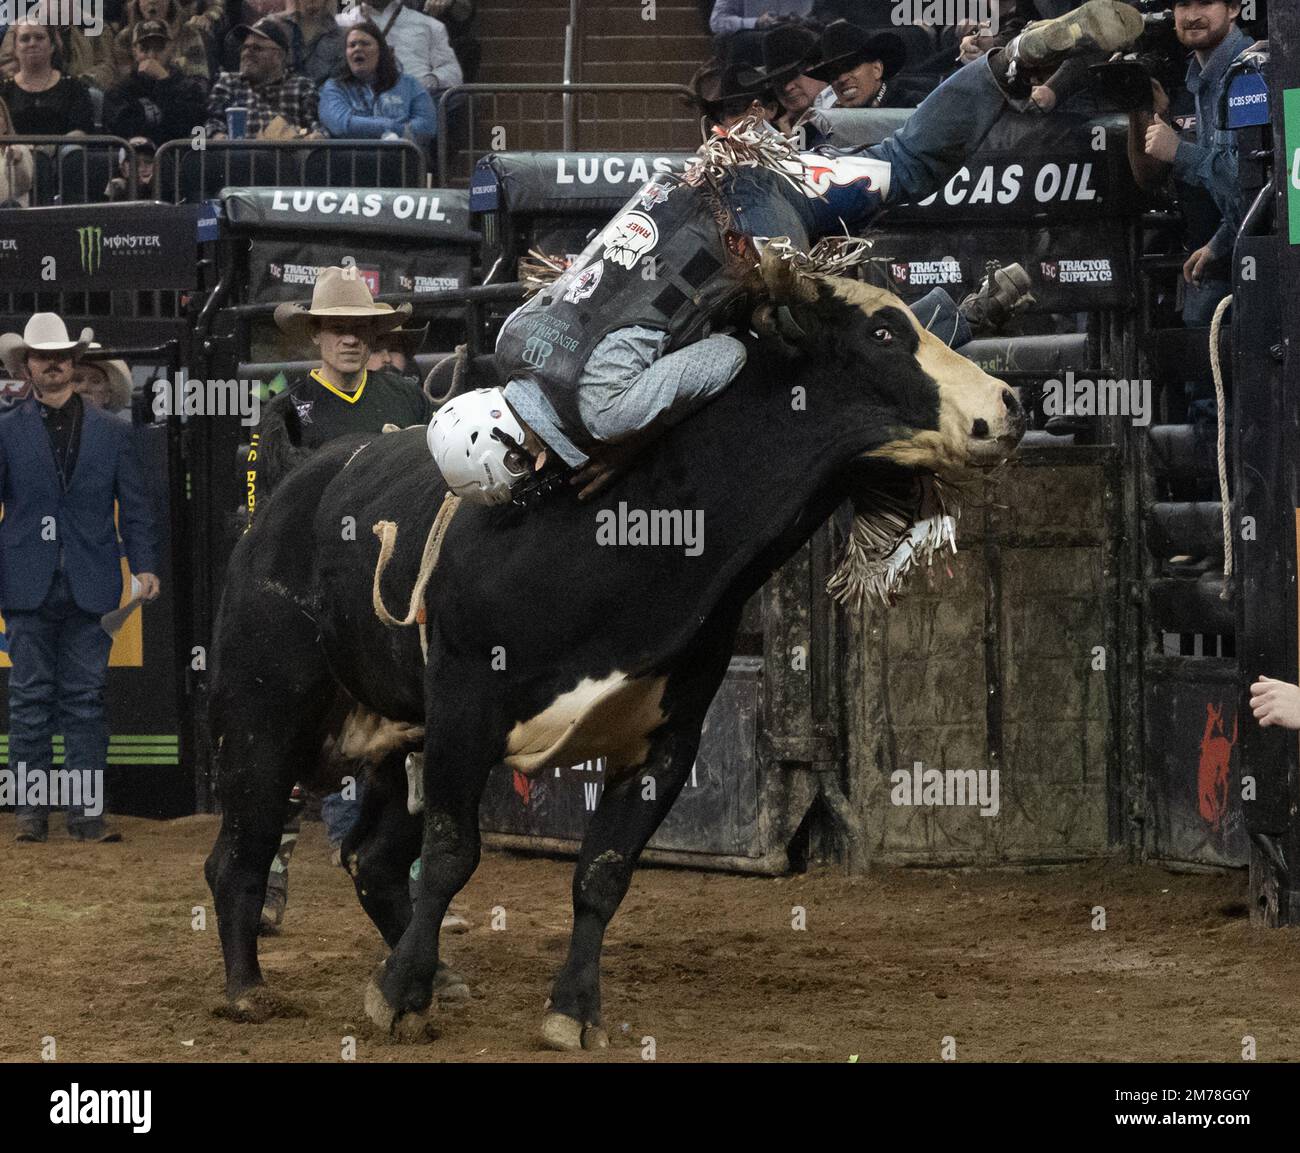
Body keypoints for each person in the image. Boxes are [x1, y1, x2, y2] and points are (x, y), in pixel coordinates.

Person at [429, 0, 1143, 506]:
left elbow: (723, 360)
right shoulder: (517, 335)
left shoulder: (599, 413)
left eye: (527, 473)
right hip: (720, 176)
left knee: (803, 353)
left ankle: (958, 317)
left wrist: (634, 431)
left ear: (517, 452)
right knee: (903, 160)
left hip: (751, 242)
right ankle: (1011, 61)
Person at [248, 266, 431, 930]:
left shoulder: (406, 400)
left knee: (414, 735)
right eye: (337, 328)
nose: (349, 339)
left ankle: (411, 872)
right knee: (299, 733)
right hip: (321, 600)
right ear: (318, 334)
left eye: (360, 329)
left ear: (373, 334)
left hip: (391, 603)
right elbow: (268, 518)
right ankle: (271, 871)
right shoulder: (290, 410)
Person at [0, 314, 160, 844]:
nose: (53, 364)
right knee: (29, 698)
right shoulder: (4, 429)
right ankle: (30, 812)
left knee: (85, 698)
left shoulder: (113, 432)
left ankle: (86, 814)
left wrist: (145, 565)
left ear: (73, 361)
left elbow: (134, 507)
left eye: (61, 355)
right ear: (27, 364)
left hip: (89, 583)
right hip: (27, 581)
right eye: (43, 356)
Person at [320, 20, 437, 145]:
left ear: (381, 51)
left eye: (365, 43)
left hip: (402, 159)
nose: (357, 48)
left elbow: (427, 126)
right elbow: (340, 124)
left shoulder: (410, 84)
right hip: (353, 159)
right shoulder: (334, 87)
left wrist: (367, 127)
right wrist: (392, 127)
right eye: (352, 45)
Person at [205, 16, 320, 139]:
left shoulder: (302, 86)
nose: (246, 53)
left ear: (279, 56)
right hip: (239, 156)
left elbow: (314, 126)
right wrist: (219, 137)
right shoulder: (228, 82)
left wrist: (312, 136)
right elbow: (212, 122)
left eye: (256, 48)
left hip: (287, 156)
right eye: (244, 47)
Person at [104, 21, 209, 147]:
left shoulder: (189, 87)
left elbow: (188, 127)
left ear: (170, 48)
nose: (152, 55)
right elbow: (122, 129)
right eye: (145, 49)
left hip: (177, 160)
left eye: (159, 48)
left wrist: (164, 81)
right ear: (134, 51)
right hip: (136, 161)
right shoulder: (120, 89)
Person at [336, 0, 462, 100]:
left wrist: (428, 82)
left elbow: (452, 72)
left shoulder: (430, 25)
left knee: (456, 99)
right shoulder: (340, 25)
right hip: (359, 100)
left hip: (415, 99)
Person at [805, 20, 930, 109]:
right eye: (834, 73)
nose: (842, 79)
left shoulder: (915, 107)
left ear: (877, 69)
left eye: (850, 66)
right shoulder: (828, 123)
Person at [0, 21, 94, 136]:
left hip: (62, 152)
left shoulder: (74, 87)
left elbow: (80, 131)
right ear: (15, 49)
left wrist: (50, 151)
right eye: (25, 39)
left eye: (39, 38)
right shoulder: (4, 90)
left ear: (52, 46)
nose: (32, 43)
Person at [111, 0, 213, 84]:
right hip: (139, 102)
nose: (152, 1)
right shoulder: (123, 39)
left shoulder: (188, 33)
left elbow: (200, 84)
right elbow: (123, 84)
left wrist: (164, 78)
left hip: (179, 99)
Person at [283, 0, 345, 84]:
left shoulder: (339, 36)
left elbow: (339, 78)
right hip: (284, 93)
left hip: (323, 94)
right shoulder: (279, 27)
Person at [72, 344, 134, 419]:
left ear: (107, 395)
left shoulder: (118, 430)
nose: (84, 387)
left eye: (95, 381)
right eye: (76, 380)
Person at [0, 93, 35, 207]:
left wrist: (15, 164)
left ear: (5, 123)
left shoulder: (20, 149)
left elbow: (23, 187)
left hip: (13, 213)